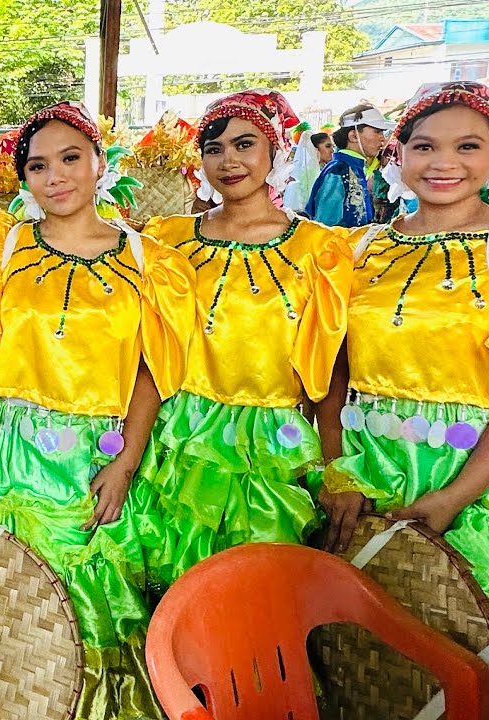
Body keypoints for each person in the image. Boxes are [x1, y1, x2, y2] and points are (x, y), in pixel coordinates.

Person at [0, 101, 196, 720]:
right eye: (38, 166)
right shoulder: (0, 253)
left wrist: (126, 463)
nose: (55, 177)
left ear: (101, 162)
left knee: (91, 621)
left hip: (93, 467)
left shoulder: (151, 263)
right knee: (0, 624)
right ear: (23, 177)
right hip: (4, 461)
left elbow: (150, 374)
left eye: (71, 158)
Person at [317, 81, 489, 717]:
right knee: (367, 666)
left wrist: (456, 495)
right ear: (397, 154)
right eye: (424, 146)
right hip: (367, 476)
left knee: (486, 659)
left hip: (484, 480)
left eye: (467, 146)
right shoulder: (358, 248)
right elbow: (332, 373)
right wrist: (338, 472)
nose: (444, 163)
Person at [133, 90, 351, 588]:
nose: (228, 160)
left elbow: (330, 367)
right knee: (178, 580)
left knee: (261, 586)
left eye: (244, 144)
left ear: (275, 152)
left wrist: (336, 465)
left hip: (272, 443)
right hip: (177, 436)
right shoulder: (166, 240)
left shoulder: (319, 248)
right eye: (214, 148)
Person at [305, 103, 394, 227]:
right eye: (377, 131)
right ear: (353, 136)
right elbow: (326, 228)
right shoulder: (338, 170)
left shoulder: (354, 168)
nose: (383, 139)